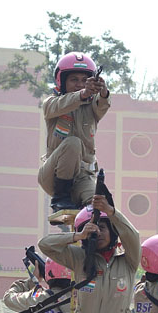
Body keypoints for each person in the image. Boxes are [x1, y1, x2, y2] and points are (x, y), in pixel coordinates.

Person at [38, 52, 110, 225]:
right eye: (74, 80)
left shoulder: (91, 107)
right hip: (53, 176)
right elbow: (59, 105)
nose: (79, 85)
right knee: (73, 143)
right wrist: (83, 93)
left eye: (83, 81)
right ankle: (60, 200)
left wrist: (103, 90)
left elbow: (102, 105)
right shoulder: (52, 103)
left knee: (101, 205)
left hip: (83, 177)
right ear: (62, 82)